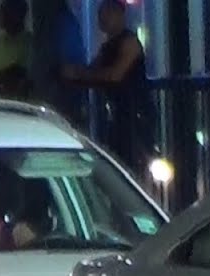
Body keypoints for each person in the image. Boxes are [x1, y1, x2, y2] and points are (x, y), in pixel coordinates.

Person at [62, 0, 154, 174]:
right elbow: (94, 70)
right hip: (119, 115)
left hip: (136, 115)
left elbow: (115, 75)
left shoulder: (130, 42)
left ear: (119, 15)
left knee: (132, 163)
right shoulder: (107, 47)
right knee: (117, 160)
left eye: (106, 14)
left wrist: (80, 74)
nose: (102, 19)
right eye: (100, 15)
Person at [32, 0, 88, 125]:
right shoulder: (47, 27)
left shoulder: (62, 23)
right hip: (49, 99)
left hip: (62, 101)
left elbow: (70, 69)